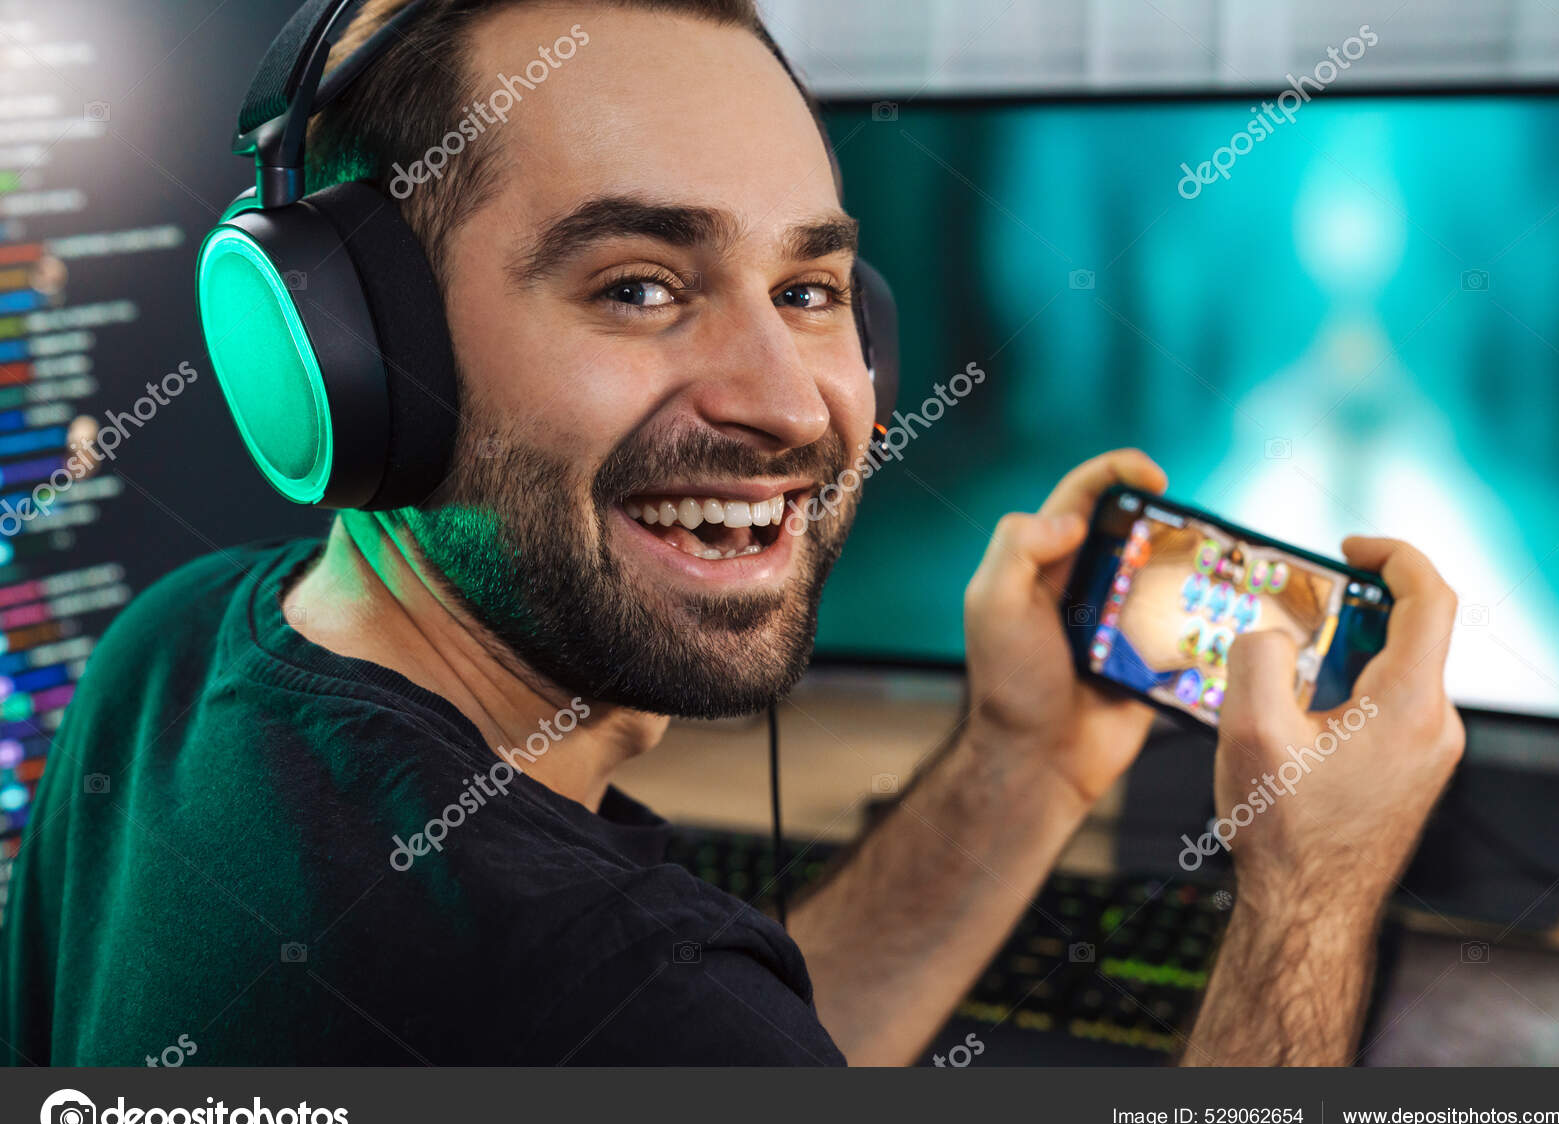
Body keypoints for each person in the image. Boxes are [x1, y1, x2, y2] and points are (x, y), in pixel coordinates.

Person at [0, 0, 1464, 1067]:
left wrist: (1027, 769)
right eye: (638, 284)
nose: (793, 407)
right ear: (345, 354)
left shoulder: (174, 649)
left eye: (813, 291)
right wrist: (1310, 895)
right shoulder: (617, 997)